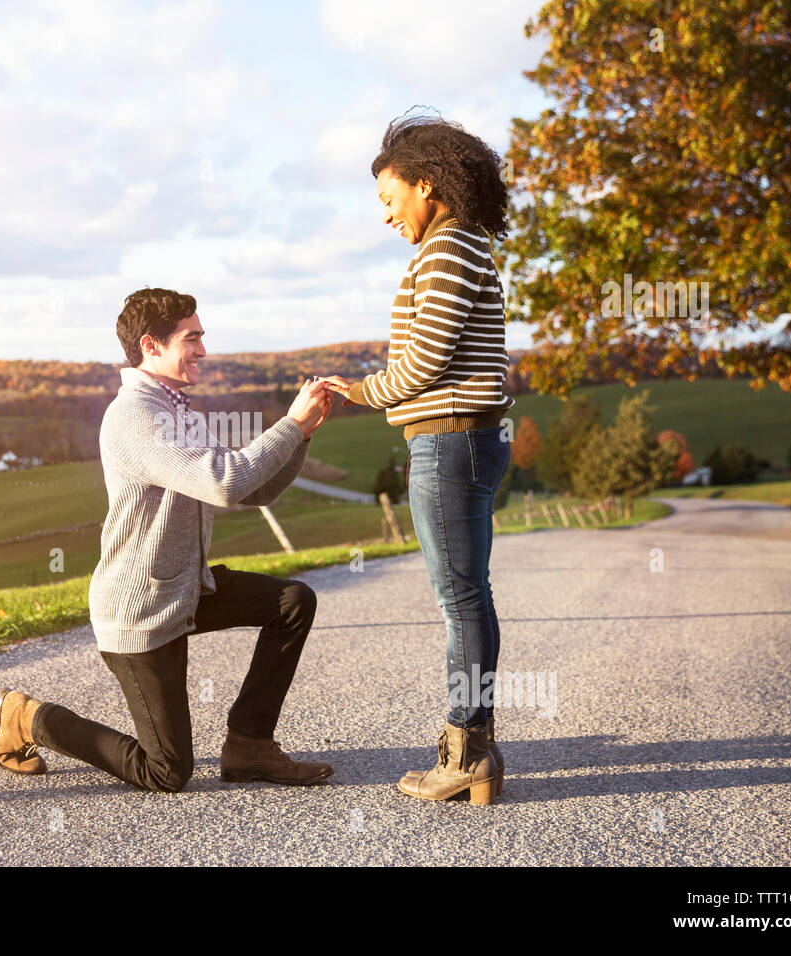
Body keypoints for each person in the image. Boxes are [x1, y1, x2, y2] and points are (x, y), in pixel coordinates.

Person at [0, 287, 335, 792]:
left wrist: (301, 437)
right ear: (152, 345)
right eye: (191, 339)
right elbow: (225, 480)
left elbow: (253, 490)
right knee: (166, 772)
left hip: (186, 591)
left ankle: (250, 745)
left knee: (292, 602)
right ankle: (29, 718)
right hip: (141, 608)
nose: (202, 350)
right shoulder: (135, 416)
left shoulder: (182, 414)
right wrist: (289, 423)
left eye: (201, 337)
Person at [322, 113, 515, 805]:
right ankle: (477, 748)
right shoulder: (466, 245)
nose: (385, 215)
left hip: (447, 441)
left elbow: (424, 361)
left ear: (426, 185)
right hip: (468, 439)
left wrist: (361, 390)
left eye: (387, 197)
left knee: (459, 598)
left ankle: (466, 751)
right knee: (470, 595)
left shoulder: (445, 250)